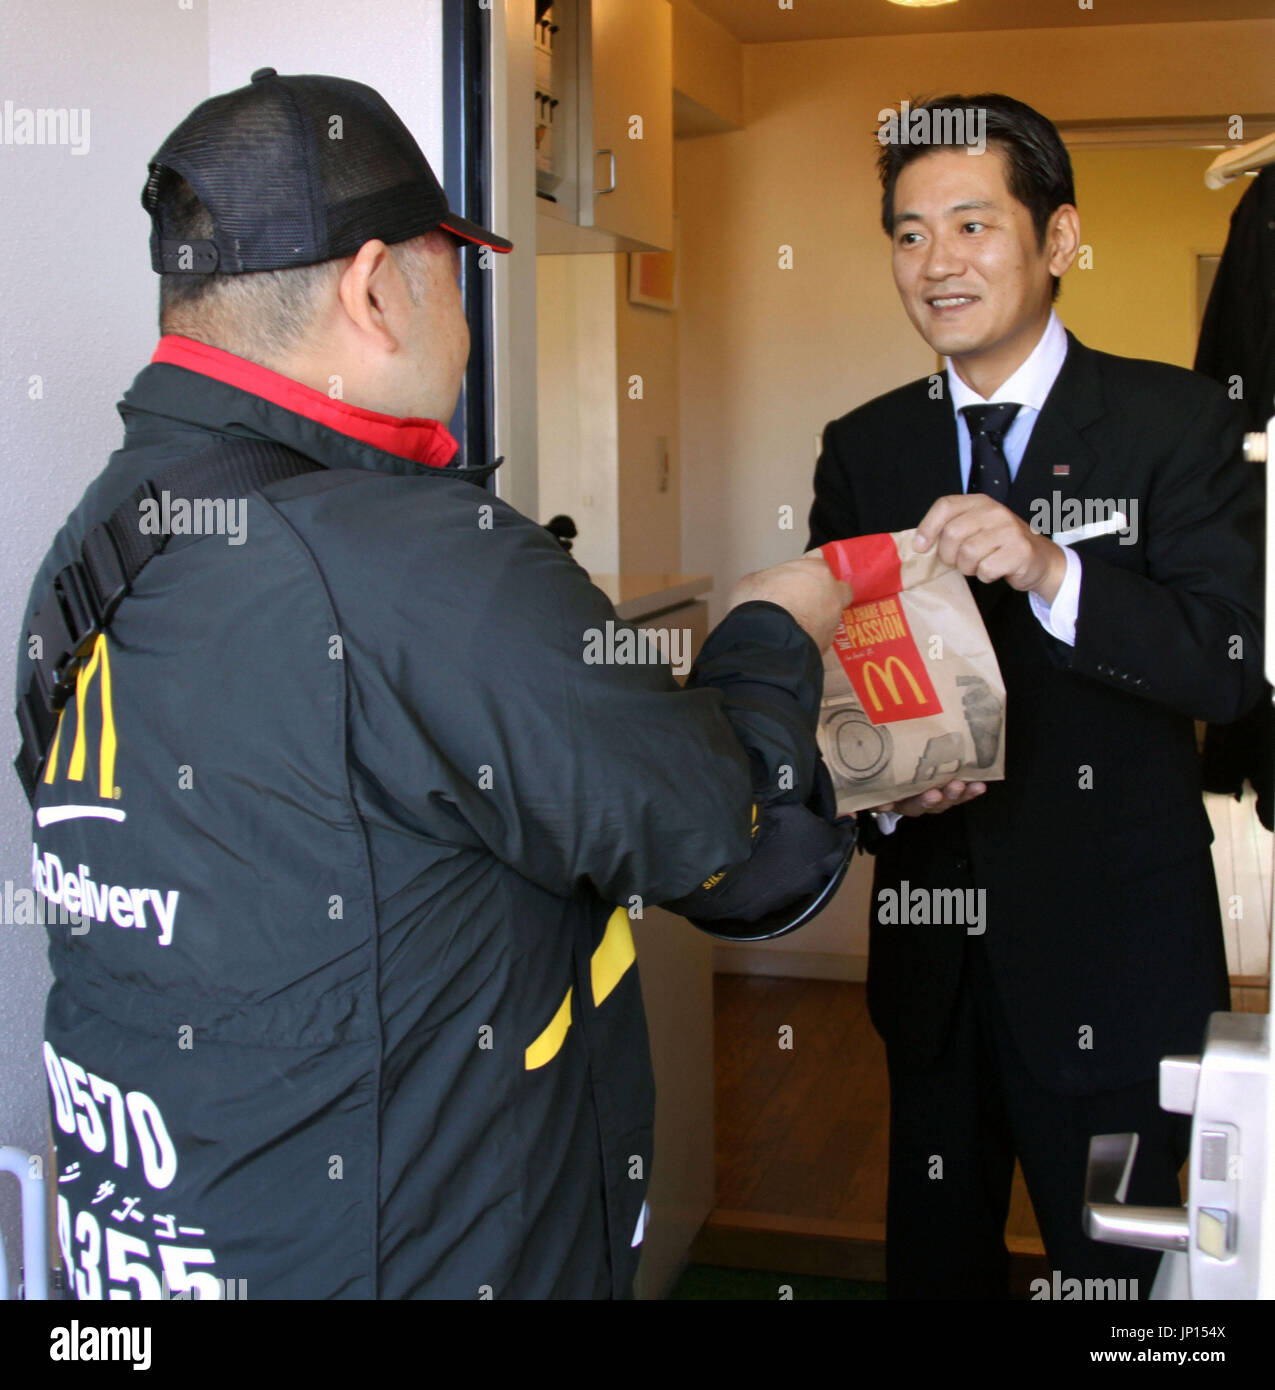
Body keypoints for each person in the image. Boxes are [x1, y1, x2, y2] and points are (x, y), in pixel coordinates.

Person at [17, 69, 853, 1300]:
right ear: (373, 288)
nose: (463, 318)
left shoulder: (98, 541)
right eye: (453, 272)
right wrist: (773, 627)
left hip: (141, 1261)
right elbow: (741, 849)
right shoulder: (422, 568)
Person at [808, 92, 1263, 1298]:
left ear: (1058, 239)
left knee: (1121, 1284)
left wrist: (1055, 569)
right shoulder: (866, 448)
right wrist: (890, 796)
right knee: (937, 1270)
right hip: (936, 967)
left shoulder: (1173, 423)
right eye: (909, 233)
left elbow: (1224, 660)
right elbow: (844, 687)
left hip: (1119, 963)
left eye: (971, 224)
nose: (937, 263)